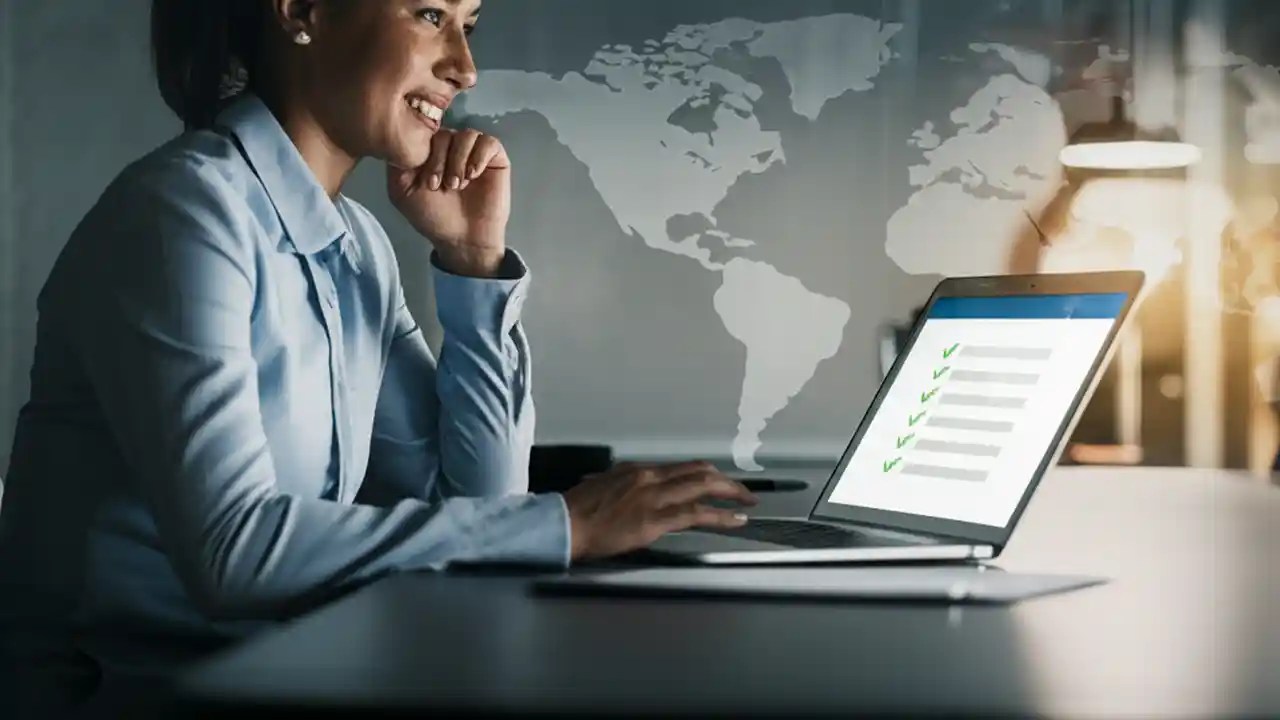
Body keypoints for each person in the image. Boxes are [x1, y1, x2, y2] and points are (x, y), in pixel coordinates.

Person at [0, 0, 757, 714]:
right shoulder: (183, 214)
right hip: (119, 696)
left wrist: (471, 259)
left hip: (261, 676)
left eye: (469, 24)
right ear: (302, 10)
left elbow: (478, 501)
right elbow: (233, 556)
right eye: (430, 15)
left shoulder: (355, 242)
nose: (464, 66)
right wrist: (564, 526)